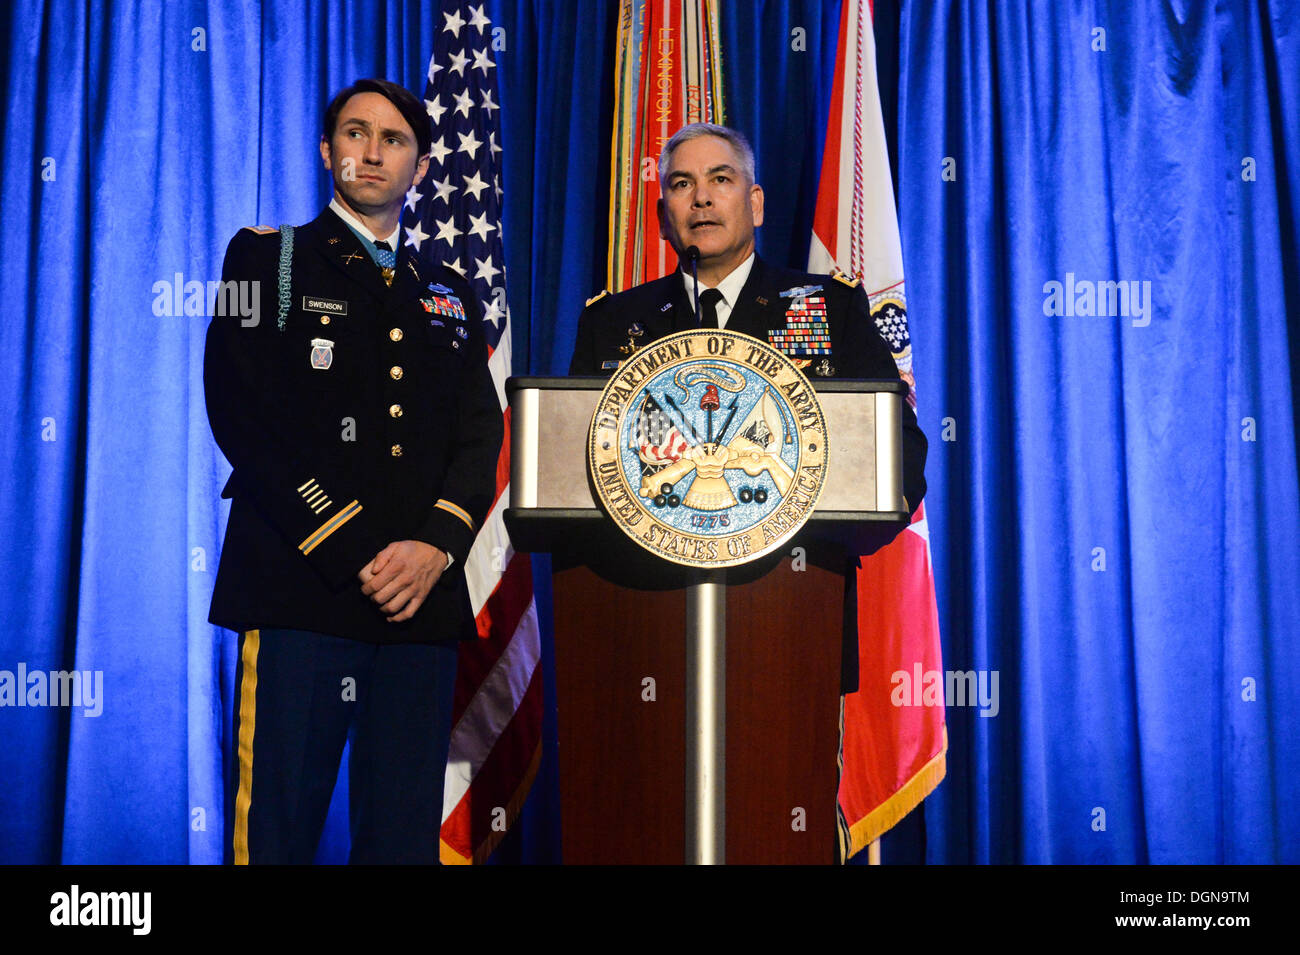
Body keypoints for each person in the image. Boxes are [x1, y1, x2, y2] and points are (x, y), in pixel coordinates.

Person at [203, 79, 502, 864]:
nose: (371, 152)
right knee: (275, 832)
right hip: (304, 588)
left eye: (393, 139)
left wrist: (435, 546)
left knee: (402, 842)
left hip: (421, 605)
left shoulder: (448, 294)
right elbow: (240, 412)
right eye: (355, 133)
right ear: (327, 149)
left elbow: (480, 435)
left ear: (422, 165)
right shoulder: (263, 258)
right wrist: (358, 545)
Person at [569, 122, 926, 692]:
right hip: (644, 617)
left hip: (795, 602)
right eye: (682, 184)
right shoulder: (611, 322)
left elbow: (898, 447)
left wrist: (859, 518)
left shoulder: (827, 307)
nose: (702, 197)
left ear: (755, 203)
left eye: (720, 179)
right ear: (664, 216)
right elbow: (577, 463)